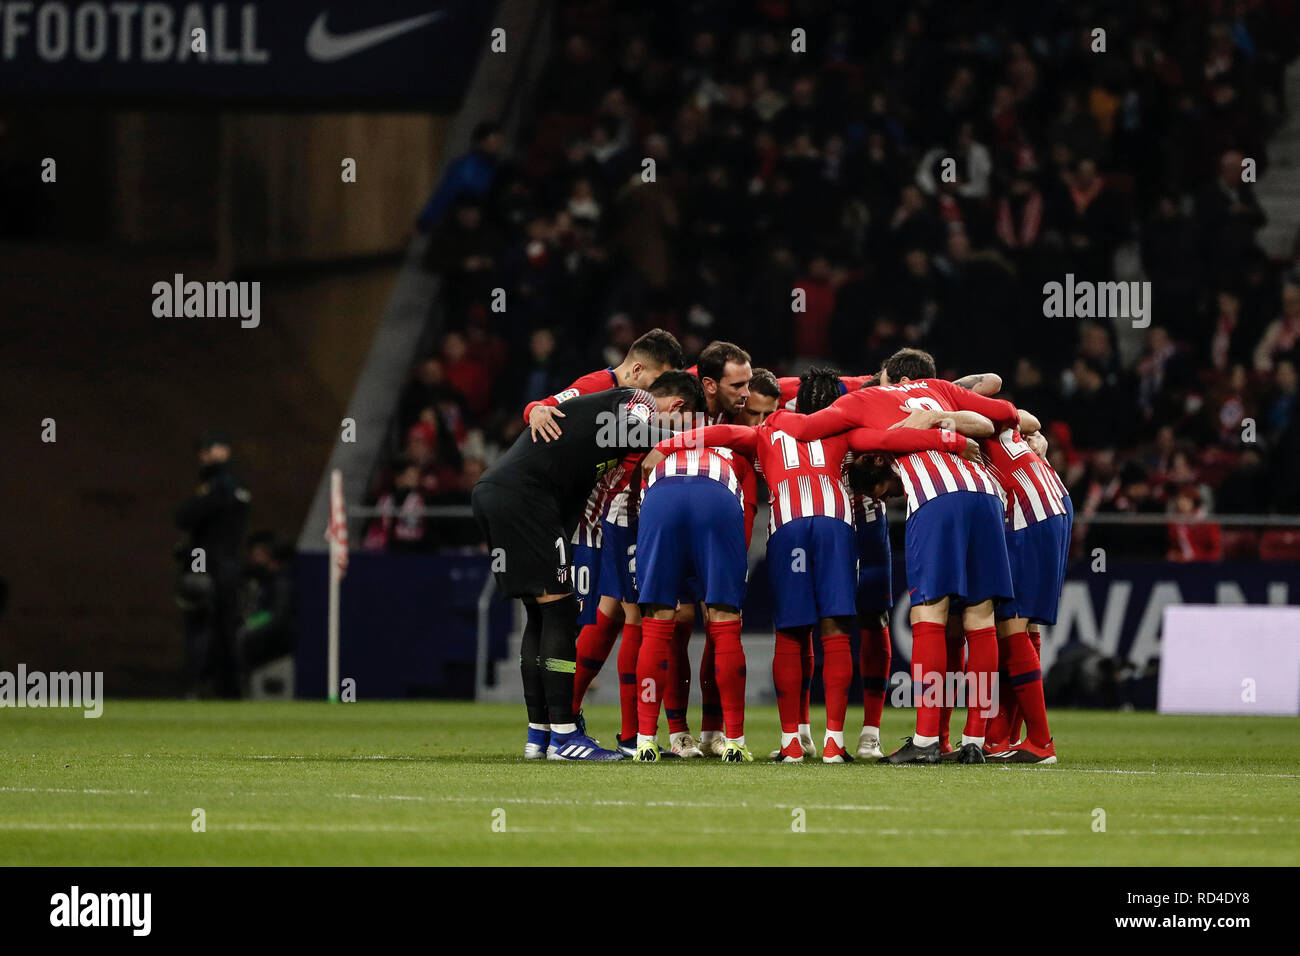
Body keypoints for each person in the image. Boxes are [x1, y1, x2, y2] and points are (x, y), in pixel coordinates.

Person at [767, 348, 1029, 764]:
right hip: (986, 496)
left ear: (890, 377)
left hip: (936, 497)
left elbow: (808, 428)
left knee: (929, 615)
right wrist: (950, 425)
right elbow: (1010, 415)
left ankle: (926, 740)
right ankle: (974, 740)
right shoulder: (941, 388)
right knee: (981, 616)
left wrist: (773, 417)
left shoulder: (862, 401)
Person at [472, 371, 705, 761]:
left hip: (502, 492)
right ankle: (565, 736)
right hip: (524, 498)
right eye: (684, 419)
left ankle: (540, 735)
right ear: (677, 406)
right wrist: (682, 441)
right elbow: (633, 429)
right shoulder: (639, 402)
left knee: (540, 613)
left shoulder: (597, 430)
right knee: (561, 612)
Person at [174, 431, 250, 699]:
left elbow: (185, 516)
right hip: (225, 563)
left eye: (208, 450)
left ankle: (200, 686)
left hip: (207, 563)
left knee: (203, 625)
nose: (202, 457)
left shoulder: (221, 484)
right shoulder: (233, 485)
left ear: (223, 451)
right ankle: (226, 688)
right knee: (225, 626)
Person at [236, 531, 295, 694]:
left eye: (260, 555)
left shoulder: (282, 584)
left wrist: (247, 634)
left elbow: (278, 618)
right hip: (260, 658)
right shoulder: (266, 582)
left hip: (274, 656)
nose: (255, 560)